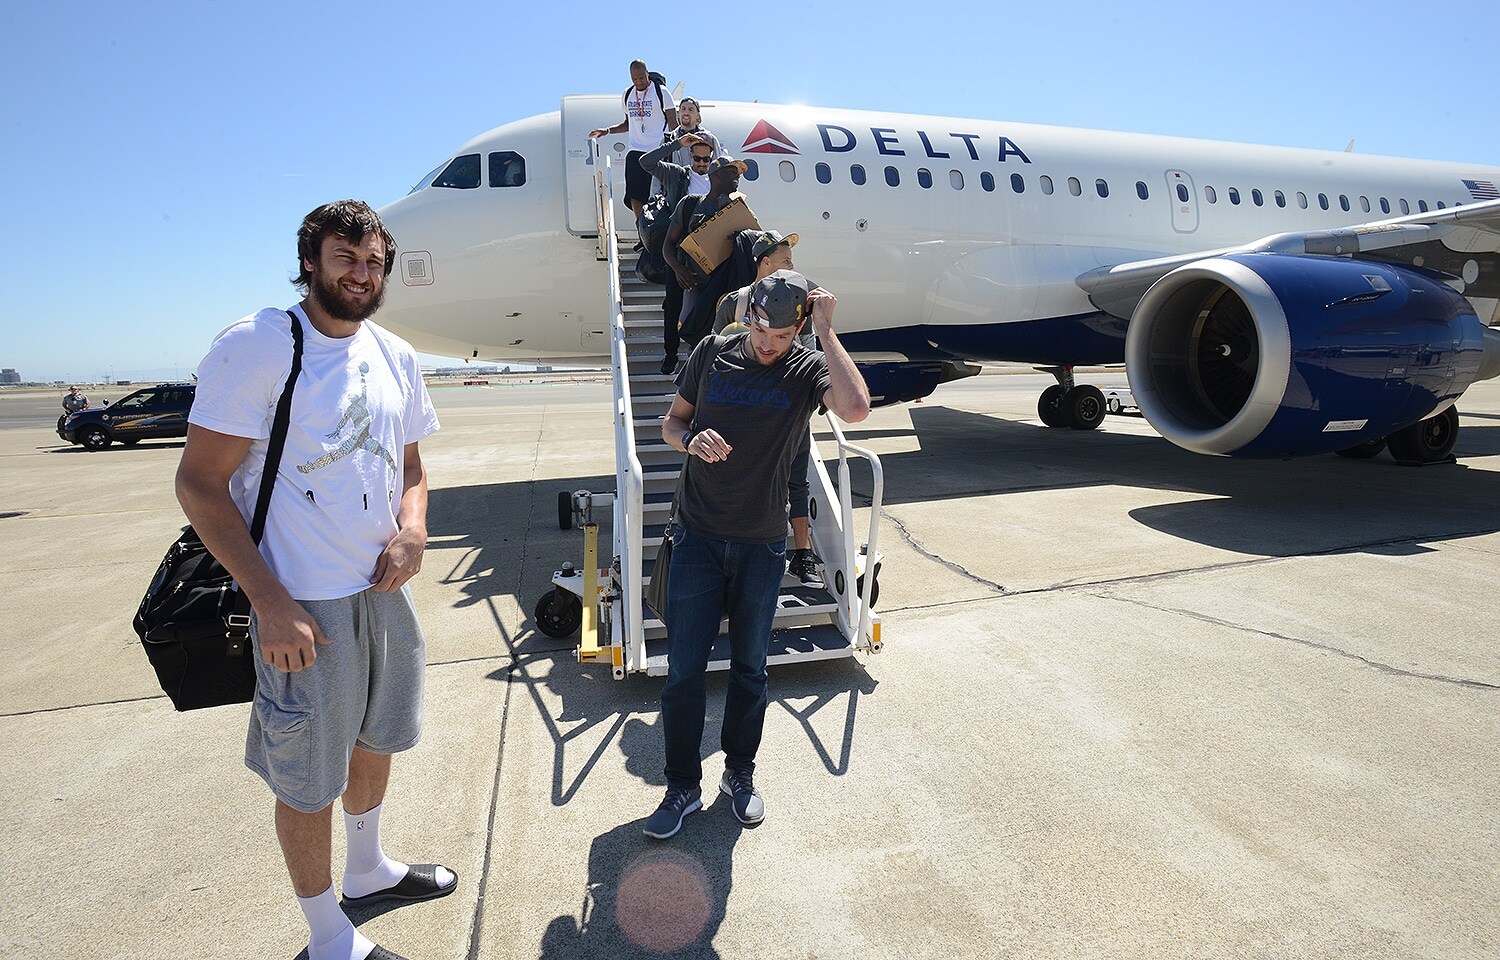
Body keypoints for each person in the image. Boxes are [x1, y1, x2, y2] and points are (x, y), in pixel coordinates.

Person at [176, 200, 452, 960]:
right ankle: (327, 933)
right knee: (306, 777)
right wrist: (269, 602)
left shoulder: (395, 354)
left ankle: (367, 871)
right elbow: (199, 483)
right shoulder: (260, 345)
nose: (361, 274)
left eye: (373, 262)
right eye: (345, 257)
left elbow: (412, 468)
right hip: (300, 601)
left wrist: (414, 530)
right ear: (310, 261)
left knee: (378, 737)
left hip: (382, 592)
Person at [645, 271, 871, 839]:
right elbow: (672, 423)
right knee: (684, 671)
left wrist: (825, 331)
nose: (769, 345)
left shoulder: (806, 368)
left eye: (782, 335)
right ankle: (681, 786)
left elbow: (855, 409)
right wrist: (689, 439)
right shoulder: (711, 353)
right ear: (748, 318)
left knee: (750, 669)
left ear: (799, 328)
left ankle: (739, 775)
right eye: (762, 331)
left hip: (763, 544)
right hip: (696, 537)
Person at [712, 231, 822, 586]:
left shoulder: (802, 303)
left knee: (797, 479)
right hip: (743, 407)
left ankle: (802, 553)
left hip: (787, 406)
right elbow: (715, 353)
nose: (792, 266)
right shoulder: (733, 304)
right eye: (786, 261)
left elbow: (809, 352)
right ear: (765, 263)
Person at [662, 155, 754, 351]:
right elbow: (668, 244)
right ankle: (680, 361)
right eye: (731, 172)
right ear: (716, 176)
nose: (737, 176)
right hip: (693, 282)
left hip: (724, 285)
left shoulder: (739, 209)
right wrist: (678, 269)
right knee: (689, 328)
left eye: (738, 173)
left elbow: (753, 243)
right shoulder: (690, 204)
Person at [640, 133, 714, 373]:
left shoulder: (716, 178)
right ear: (690, 156)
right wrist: (676, 144)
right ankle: (671, 354)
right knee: (673, 304)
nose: (701, 164)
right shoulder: (677, 175)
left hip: (708, 252)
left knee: (706, 304)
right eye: (697, 158)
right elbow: (646, 162)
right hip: (679, 250)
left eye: (706, 159)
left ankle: (700, 355)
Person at [588, 60, 677, 220]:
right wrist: (607, 131)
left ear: (647, 74)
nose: (638, 82)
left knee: (655, 192)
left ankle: (655, 223)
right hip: (636, 149)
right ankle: (641, 224)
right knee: (634, 192)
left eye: (641, 78)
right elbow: (627, 124)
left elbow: (673, 123)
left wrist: (676, 147)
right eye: (634, 79)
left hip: (657, 149)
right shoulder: (628, 94)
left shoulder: (661, 92)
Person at [663, 97, 721, 169]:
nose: (686, 113)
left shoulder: (710, 139)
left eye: (691, 110)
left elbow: (718, 168)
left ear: (698, 116)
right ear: (678, 113)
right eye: (683, 109)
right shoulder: (668, 139)